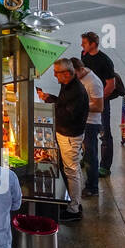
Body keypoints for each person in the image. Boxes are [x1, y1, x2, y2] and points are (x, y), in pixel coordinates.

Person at [38, 58, 88, 223]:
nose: (54, 76)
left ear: (67, 73)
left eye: (56, 73)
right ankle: (73, 202)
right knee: (73, 170)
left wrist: (47, 109)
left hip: (70, 136)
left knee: (72, 170)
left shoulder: (77, 91)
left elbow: (66, 114)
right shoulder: (68, 85)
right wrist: (48, 98)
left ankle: (74, 209)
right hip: (67, 134)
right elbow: (62, 104)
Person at [80, 31, 119, 179]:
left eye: (84, 43)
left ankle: (104, 166)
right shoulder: (84, 55)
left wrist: (100, 100)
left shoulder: (105, 61)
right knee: (88, 133)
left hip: (101, 101)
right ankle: (88, 158)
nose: (81, 46)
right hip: (87, 100)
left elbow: (111, 84)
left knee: (104, 133)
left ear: (93, 44)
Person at [71, 56, 105, 199]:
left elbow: (99, 106)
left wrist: (80, 106)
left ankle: (92, 187)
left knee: (91, 156)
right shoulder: (79, 78)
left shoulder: (93, 82)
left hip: (90, 124)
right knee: (85, 155)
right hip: (81, 121)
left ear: (79, 70)